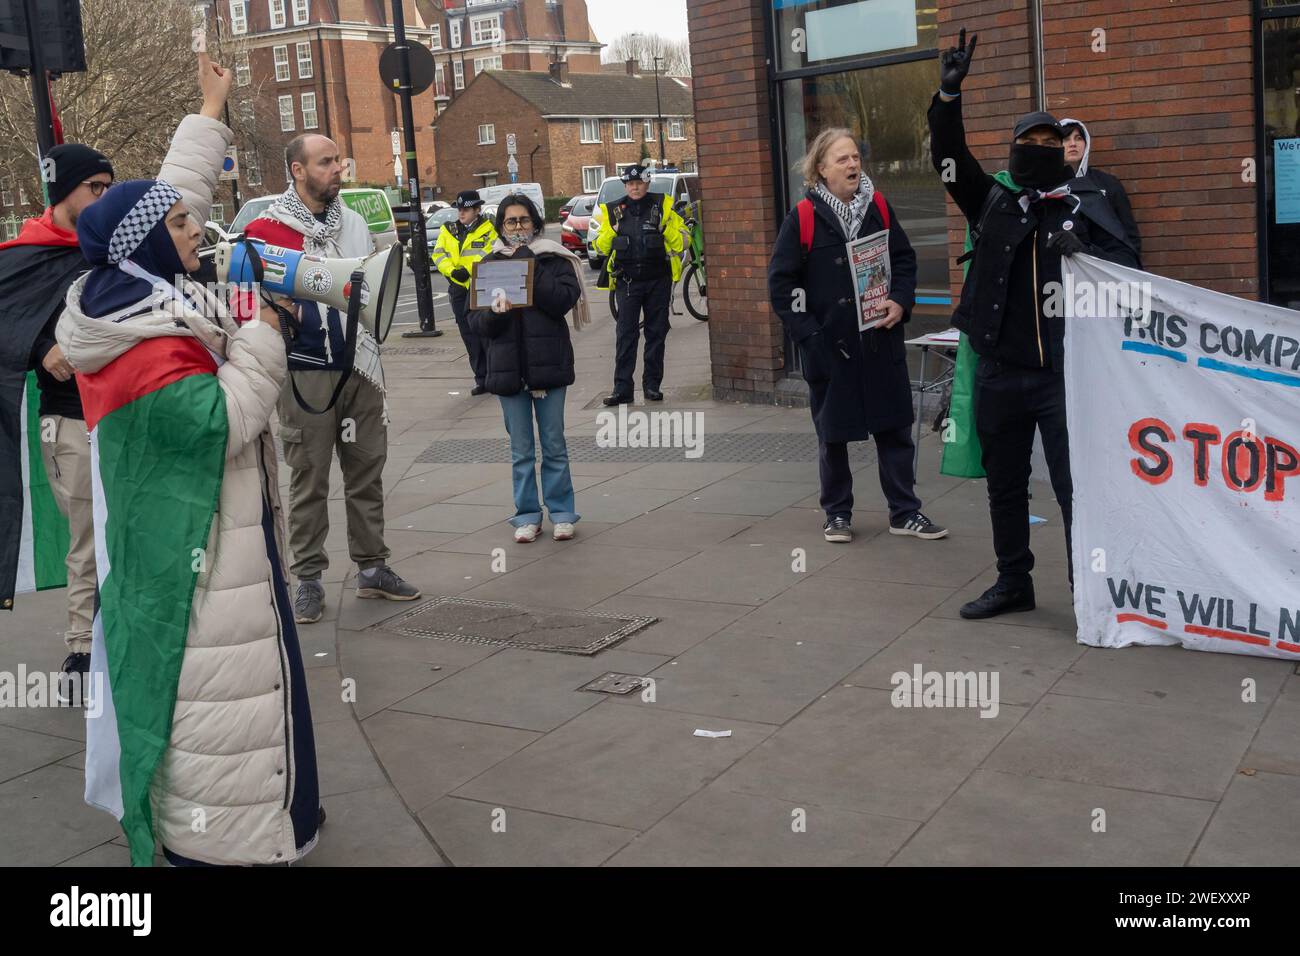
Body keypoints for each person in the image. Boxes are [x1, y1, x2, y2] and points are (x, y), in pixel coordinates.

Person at [55, 60, 322, 867]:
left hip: (227, 538)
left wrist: (210, 113)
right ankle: (224, 846)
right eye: (180, 228)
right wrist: (265, 329)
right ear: (146, 245)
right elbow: (228, 420)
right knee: (218, 698)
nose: (196, 231)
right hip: (197, 562)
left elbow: (162, 203)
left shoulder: (137, 292)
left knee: (255, 686)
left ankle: (281, 819)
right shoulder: (144, 341)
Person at [928, 29, 1140, 620]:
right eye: (1030, 139)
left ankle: (1087, 591)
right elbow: (949, 160)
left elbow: (1130, 273)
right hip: (1000, 370)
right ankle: (1012, 581)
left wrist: (1082, 249)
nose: (1041, 146)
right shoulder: (992, 200)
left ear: (1066, 148)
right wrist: (948, 98)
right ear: (1016, 146)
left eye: (1052, 139)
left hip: (1062, 376)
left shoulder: (1086, 203)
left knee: (1076, 490)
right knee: (1005, 486)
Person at [240, 133, 420, 625]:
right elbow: (241, 302)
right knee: (309, 478)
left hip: (358, 366)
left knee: (366, 471)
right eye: (326, 162)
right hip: (304, 373)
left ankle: (372, 566)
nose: (338, 168)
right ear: (297, 170)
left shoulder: (356, 223)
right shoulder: (263, 229)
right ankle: (309, 579)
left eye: (338, 159)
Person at [768, 128, 948, 544]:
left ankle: (905, 512)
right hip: (831, 349)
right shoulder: (804, 218)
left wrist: (901, 301)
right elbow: (781, 285)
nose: (852, 165)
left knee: (895, 429)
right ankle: (837, 513)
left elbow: (903, 259)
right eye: (842, 159)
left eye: (855, 158)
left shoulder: (879, 207)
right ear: (821, 169)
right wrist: (810, 335)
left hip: (880, 342)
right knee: (833, 435)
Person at [0, 144, 113, 690]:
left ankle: (121, 636)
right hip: (68, 420)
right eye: (95, 186)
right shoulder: (23, 254)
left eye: (109, 187)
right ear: (63, 190)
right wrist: (42, 346)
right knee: (88, 536)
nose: (103, 197)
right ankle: (82, 648)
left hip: (119, 410)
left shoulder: (106, 245)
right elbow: (6, 319)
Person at [468, 194, 589, 543]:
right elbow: (476, 322)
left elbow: (561, 302)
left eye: (524, 221)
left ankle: (563, 512)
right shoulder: (489, 263)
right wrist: (493, 313)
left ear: (535, 223)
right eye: (511, 221)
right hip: (508, 370)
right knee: (521, 451)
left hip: (548, 366)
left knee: (553, 444)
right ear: (501, 227)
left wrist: (528, 266)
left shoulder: (553, 259)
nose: (518, 228)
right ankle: (527, 515)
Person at [594, 164, 686, 405]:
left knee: (656, 333)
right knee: (626, 335)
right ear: (625, 186)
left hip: (658, 280)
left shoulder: (663, 206)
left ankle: (652, 386)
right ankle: (622, 389)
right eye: (630, 184)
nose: (635, 187)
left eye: (639, 183)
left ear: (647, 183)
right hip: (628, 282)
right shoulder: (612, 210)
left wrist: (666, 230)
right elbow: (600, 248)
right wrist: (612, 232)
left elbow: (681, 244)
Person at [432, 189, 496, 394]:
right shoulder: (448, 230)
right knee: (468, 334)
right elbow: (438, 254)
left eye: (466, 209)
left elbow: (490, 253)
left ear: (477, 209)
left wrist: (467, 271)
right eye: (459, 209)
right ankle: (481, 379)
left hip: (480, 285)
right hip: (458, 288)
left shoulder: (489, 230)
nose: (461, 213)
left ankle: (494, 375)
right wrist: (452, 272)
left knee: (486, 332)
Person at [1059, 118, 1142, 265]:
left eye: (1078, 138)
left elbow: (1129, 236)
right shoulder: (1049, 187)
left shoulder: (1108, 183)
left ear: (1086, 143)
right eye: (1066, 139)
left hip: (1104, 269)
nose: (1073, 144)